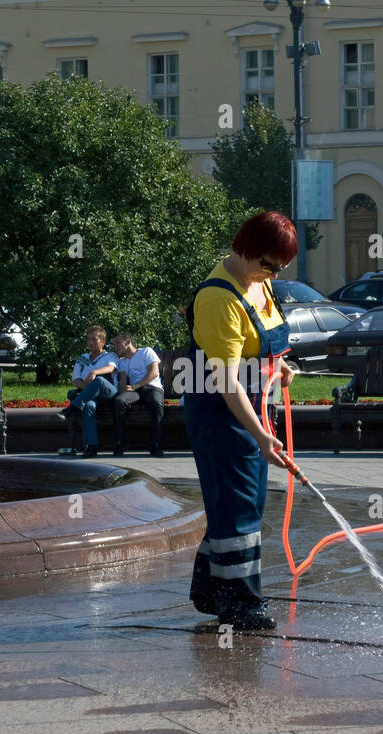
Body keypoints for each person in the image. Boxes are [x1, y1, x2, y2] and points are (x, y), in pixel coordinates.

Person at [183, 210, 298, 631]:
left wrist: (278, 367)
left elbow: (261, 345)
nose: (271, 273)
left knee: (245, 503)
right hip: (221, 411)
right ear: (245, 248)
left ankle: (210, 591)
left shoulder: (258, 281)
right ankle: (241, 605)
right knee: (236, 505)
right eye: (267, 264)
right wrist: (263, 437)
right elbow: (227, 381)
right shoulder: (218, 299)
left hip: (253, 405)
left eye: (279, 268)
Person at [56, 325, 118, 457]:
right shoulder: (83, 357)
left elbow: (111, 368)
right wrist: (88, 388)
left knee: (99, 381)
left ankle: (71, 408)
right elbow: (76, 379)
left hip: (108, 393)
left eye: (94, 339)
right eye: (88, 339)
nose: (90, 342)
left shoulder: (110, 355)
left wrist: (95, 372)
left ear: (102, 341)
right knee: (88, 406)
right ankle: (92, 447)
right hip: (90, 395)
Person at [111, 332, 165, 457]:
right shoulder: (122, 362)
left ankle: (154, 444)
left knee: (156, 404)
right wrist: (121, 389)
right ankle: (121, 442)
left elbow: (154, 373)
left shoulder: (146, 352)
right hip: (135, 391)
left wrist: (136, 385)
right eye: (114, 344)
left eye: (118, 343)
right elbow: (123, 381)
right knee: (119, 401)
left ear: (128, 342)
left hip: (152, 388)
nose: (115, 347)